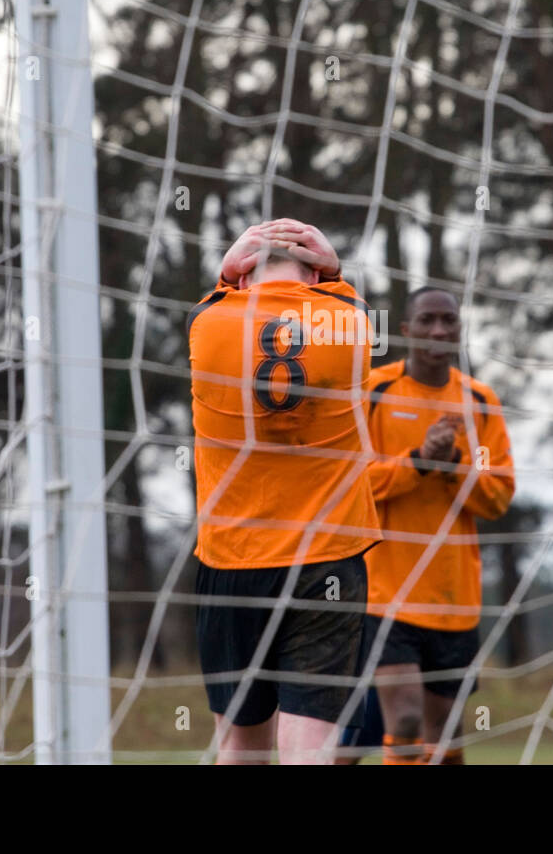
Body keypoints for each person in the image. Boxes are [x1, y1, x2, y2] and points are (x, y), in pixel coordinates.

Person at [188, 219, 380, 764]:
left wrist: (225, 276)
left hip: (231, 558)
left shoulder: (208, 325)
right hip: (327, 560)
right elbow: (352, 307)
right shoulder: (347, 323)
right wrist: (338, 274)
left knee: (241, 744)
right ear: (316, 275)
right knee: (310, 745)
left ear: (243, 277)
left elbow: (208, 305)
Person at [362, 286, 515, 764]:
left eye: (449, 321)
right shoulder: (374, 392)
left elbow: (497, 496)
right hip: (387, 592)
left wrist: (452, 466)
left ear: (460, 331)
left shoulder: (479, 402)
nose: (438, 330)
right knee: (404, 721)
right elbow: (353, 484)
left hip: (453, 596)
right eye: (427, 319)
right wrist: (418, 462)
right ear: (406, 330)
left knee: (445, 736)